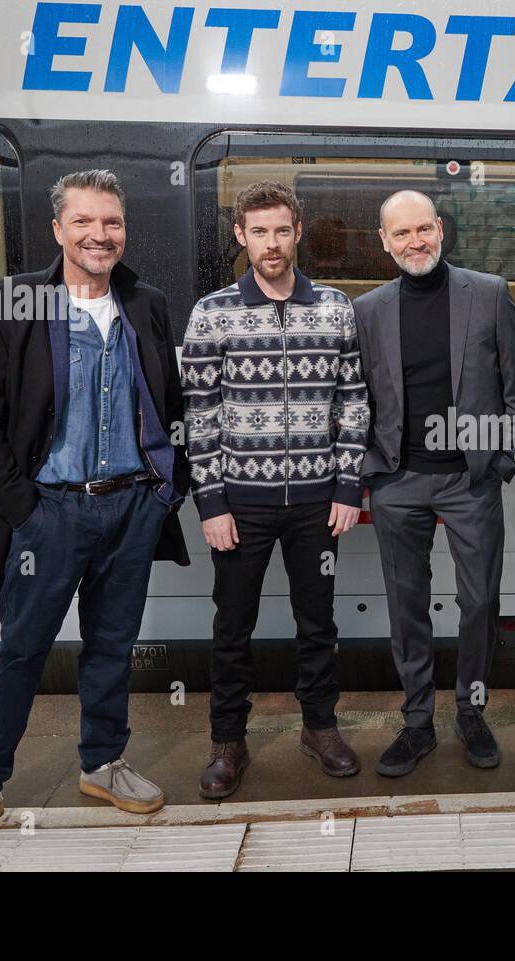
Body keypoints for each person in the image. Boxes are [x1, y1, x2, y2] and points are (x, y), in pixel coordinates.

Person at [0, 170, 190, 857]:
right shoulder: (6, 303)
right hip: (49, 513)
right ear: (57, 230)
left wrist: (166, 487)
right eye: (84, 222)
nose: (100, 235)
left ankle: (102, 764)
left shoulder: (147, 302)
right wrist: (25, 511)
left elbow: (170, 406)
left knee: (113, 646)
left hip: (131, 507)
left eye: (111, 222)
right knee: (21, 652)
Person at [182, 181, 370, 797]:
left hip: (318, 503)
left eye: (281, 231)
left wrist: (348, 487)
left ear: (297, 233)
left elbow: (354, 402)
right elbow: (200, 414)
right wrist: (211, 502)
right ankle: (227, 743)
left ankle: (319, 727)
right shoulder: (212, 312)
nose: (271, 243)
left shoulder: (336, 306)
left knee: (318, 624)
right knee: (232, 627)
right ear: (241, 236)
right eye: (258, 231)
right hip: (241, 505)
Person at [353, 190, 515, 777]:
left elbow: (514, 393)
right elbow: (361, 398)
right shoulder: (370, 309)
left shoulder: (488, 293)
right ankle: (417, 723)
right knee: (407, 608)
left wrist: (498, 464)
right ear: (385, 242)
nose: (415, 242)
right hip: (398, 480)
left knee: (480, 603)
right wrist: (372, 474)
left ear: (440, 229)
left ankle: (473, 713)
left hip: (469, 481)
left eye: (423, 229)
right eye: (401, 234)